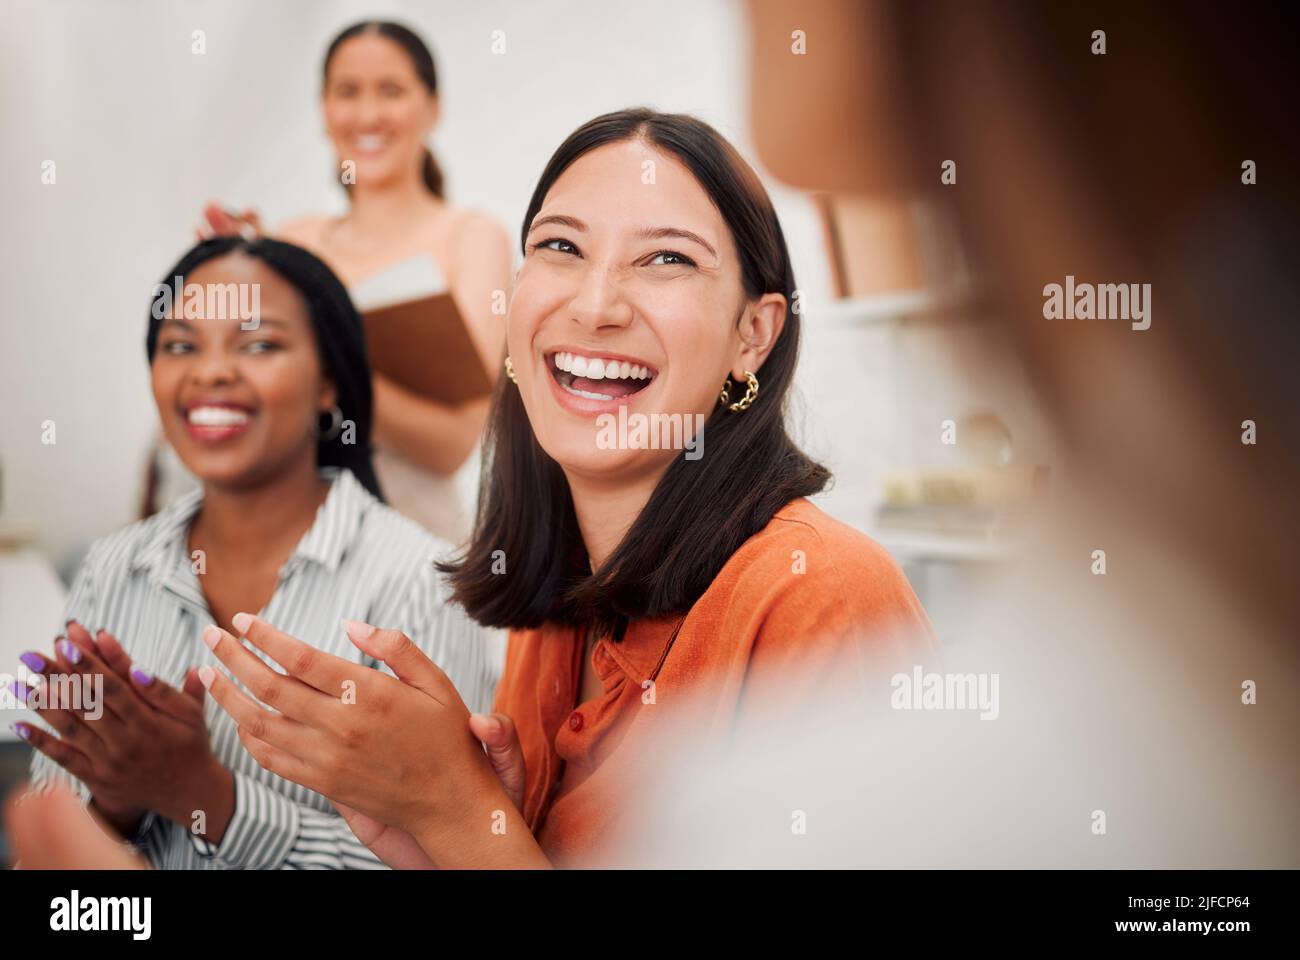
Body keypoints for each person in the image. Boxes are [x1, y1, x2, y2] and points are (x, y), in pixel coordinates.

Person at [191, 108, 936, 868]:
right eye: (559, 246)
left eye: (667, 260)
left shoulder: (826, 597)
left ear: (754, 334)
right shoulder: (558, 602)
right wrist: (445, 839)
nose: (593, 305)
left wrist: (455, 807)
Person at [13, 236, 498, 869]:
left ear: (329, 383)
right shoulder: (112, 568)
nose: (211, 372)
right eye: (181, 345)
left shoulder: (418, 584)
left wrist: (206, 795)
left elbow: (450, 859)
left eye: (259, 344)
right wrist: (114, 800)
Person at [200, 20, 512, 542]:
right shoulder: (292, 241)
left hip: (412, 550)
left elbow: (452, 445)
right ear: (324, 110)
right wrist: (224, 276)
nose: (367, 114)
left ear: (432, 108)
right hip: (285, 543)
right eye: (348, 92)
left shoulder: (471, 238)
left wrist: (328, 360)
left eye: (390, 90)